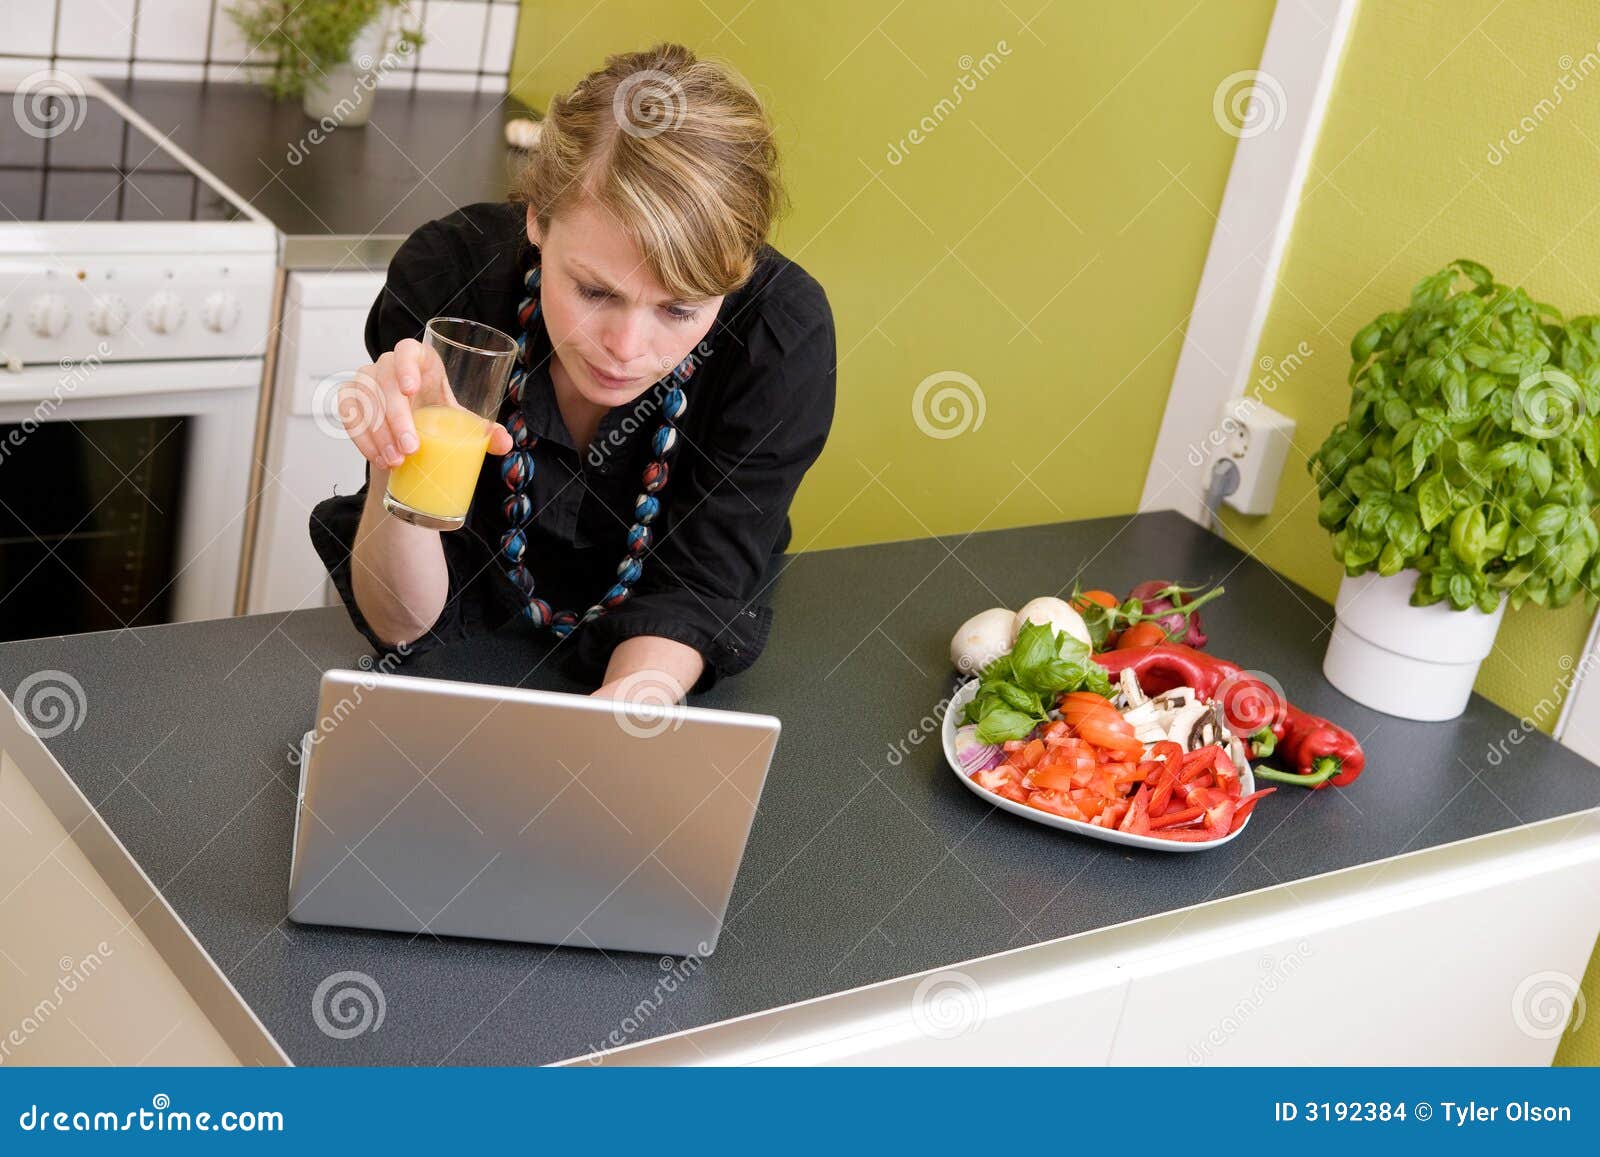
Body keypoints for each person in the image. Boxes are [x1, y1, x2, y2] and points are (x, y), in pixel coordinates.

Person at [309, 43, 836, 702]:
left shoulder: (778, 338)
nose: (626, 346)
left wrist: (613, 725)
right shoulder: (451, 282)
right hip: (450, 669)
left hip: (657, 668)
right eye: (594, 292)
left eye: (679, 309)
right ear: (537, 218)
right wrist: (396, 456)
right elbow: (401, 624)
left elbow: (699, 588)